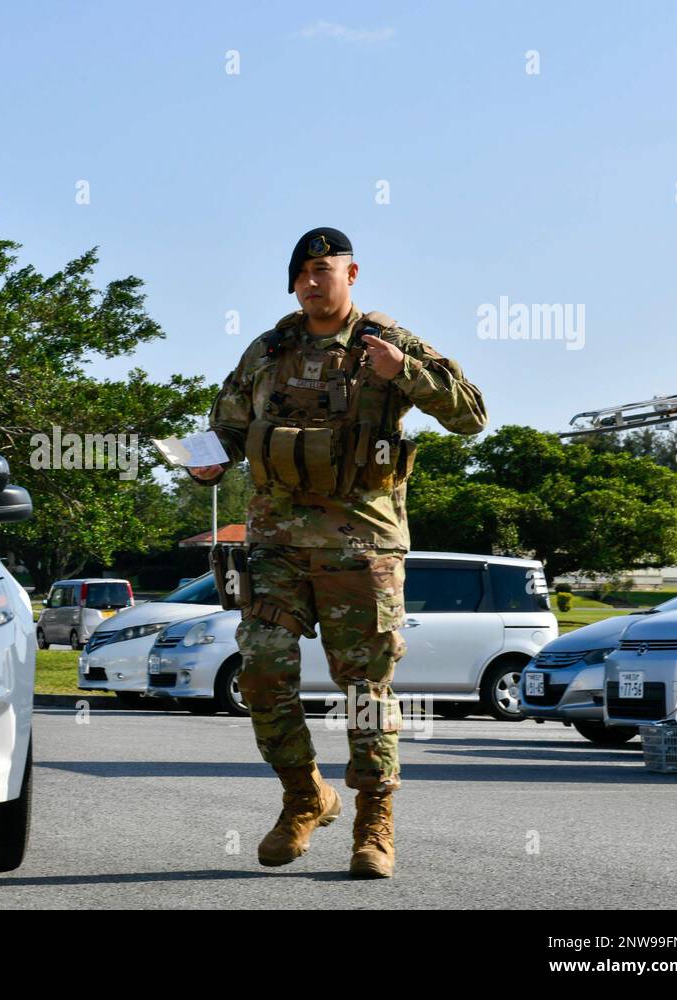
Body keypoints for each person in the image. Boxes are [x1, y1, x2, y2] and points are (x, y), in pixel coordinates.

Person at [189, 227, 486, 878]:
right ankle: (304, 797)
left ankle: (374, 824)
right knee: (263, 670)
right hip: (276, 545)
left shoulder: (388, 344)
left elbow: (471, 414)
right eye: (302, 272)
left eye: (324, 269)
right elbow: (228, 429)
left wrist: (404, 373)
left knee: (365, 692)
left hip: (363, 546)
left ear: (352, 274)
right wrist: (205, 466)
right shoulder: (267, 351)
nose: (312, 281)